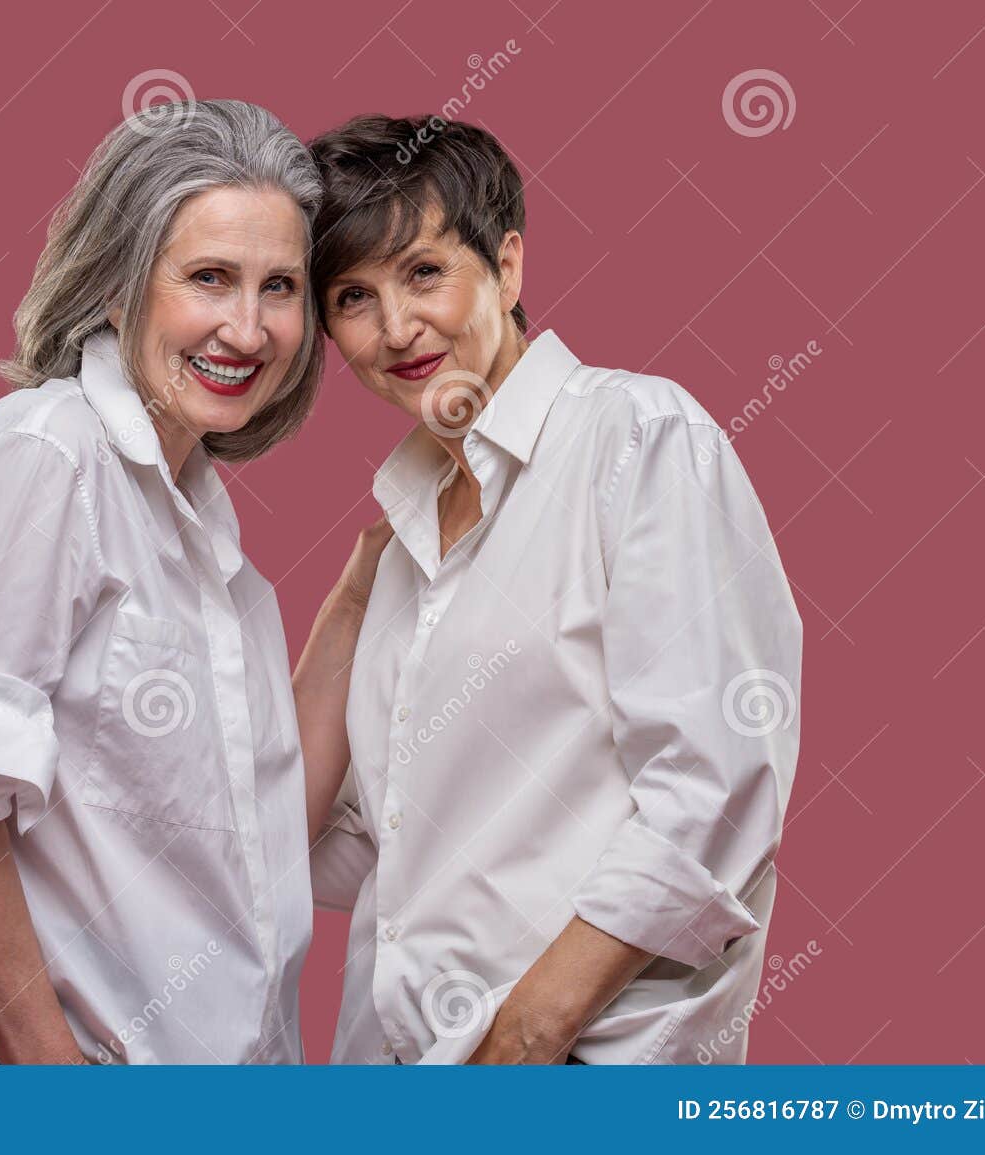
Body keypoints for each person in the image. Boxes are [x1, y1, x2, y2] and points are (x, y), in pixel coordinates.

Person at [0, 99, 343, 1064]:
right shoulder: (48, 452)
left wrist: (359, 591)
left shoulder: (199, 523)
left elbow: (252, 829)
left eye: (281, 287)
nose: (248, 326)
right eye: (209, 278)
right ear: (117, 287)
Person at [301, 114, 804, 1064]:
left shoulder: (636, 438)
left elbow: (718, 788)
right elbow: (357, 846)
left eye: (422, 273)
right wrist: (352, 597)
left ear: (509, 265)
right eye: (352, 296)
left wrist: (532, 1033)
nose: (396, 328)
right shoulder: (404, 535)